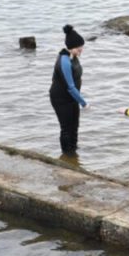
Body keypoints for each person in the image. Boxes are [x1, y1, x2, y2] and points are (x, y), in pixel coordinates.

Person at [51, 26, 88, 157]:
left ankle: (74, 151)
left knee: (75, 125)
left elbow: (77, 77)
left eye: (82, 47)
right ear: (71, 47)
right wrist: (83, 102)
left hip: (72, 97)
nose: (81, 50)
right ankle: (67, 155)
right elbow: (70, 87)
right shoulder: (64, 61)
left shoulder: (73, 56)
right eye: (79, 48)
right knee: (66, 128)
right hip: (60, 98)